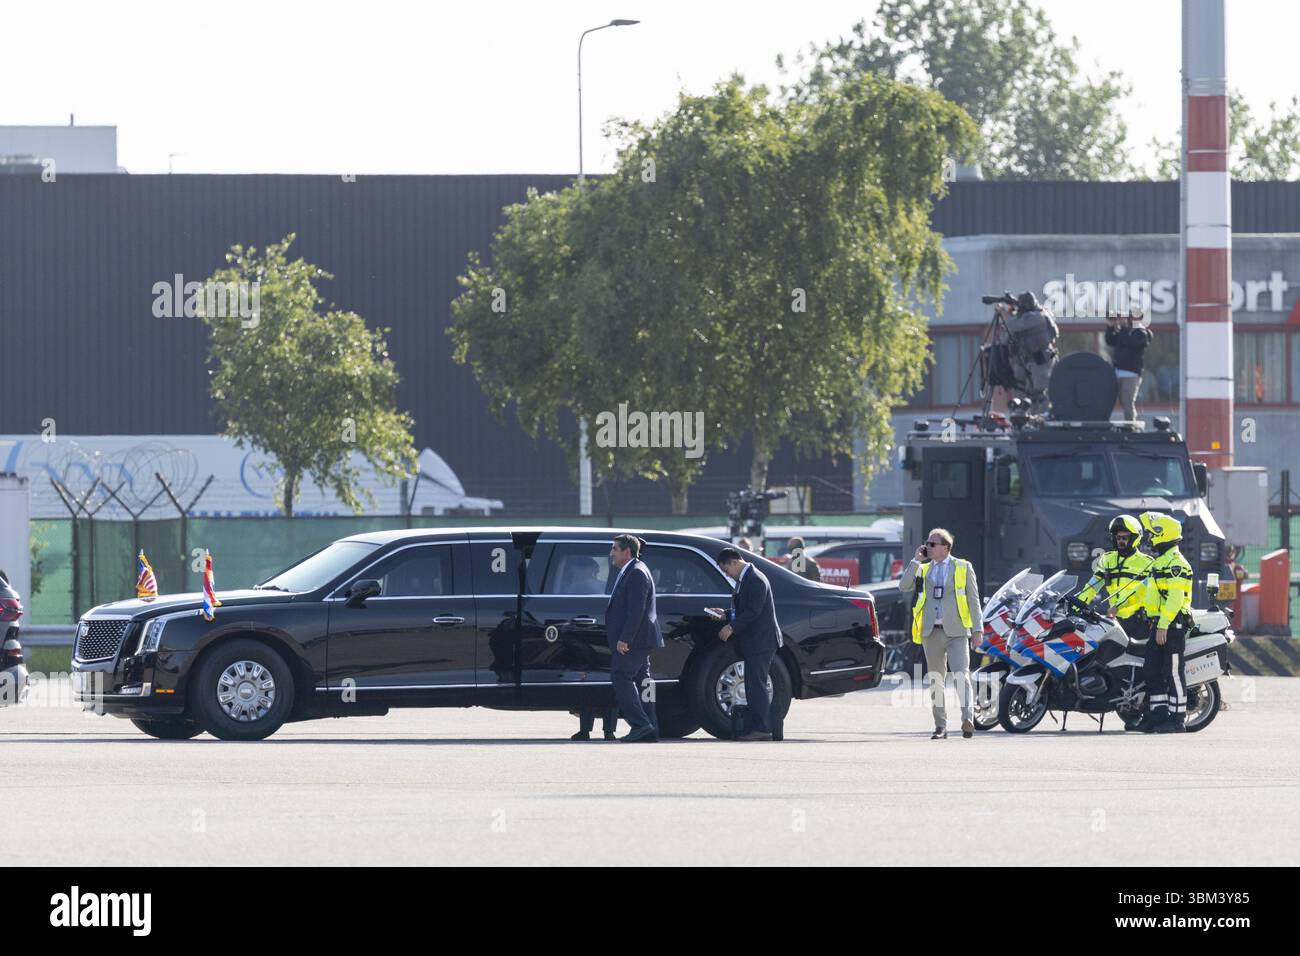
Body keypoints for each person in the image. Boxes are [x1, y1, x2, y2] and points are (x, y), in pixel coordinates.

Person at [898, 528, 983, 739]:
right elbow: (904, 586)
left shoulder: (963, 567)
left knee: (961, 675)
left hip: (957, 631)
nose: (928, 547)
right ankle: (940, 726)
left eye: (933, 544)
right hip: (931, 631)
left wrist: (978, 629)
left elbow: (973, 600)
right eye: (927, 543)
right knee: (936, 679)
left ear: (946, 547)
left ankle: (968, 718)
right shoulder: (924, 569)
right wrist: (915, 561)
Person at [707, 547, 783, 741]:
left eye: (726, 570)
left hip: (761, 641)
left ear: (733, 562)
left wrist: (731, 627)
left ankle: (762, 728)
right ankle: (760, 726)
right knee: (753, 684)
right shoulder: (746, 579)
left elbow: (753, 612)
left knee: (756, 684)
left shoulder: (755, 579)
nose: (727, 574)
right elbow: (743, 608)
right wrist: (725, 613)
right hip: (755, 641)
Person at [1133, 512, 1194, 734]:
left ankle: (1177, 720)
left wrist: (1163, 625)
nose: (1149, 539)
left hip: (1172, 625)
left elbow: (1176, 599)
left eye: (1152, 534)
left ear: (1163, 535)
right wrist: (1117, 606)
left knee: (1173, 672)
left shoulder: (1177, 563)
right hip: (1159, 623)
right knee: (1151, 670)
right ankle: (1158, 716)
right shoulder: (1160, 563)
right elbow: (1145, 590)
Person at [605, 534, 661, 742]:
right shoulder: (633, 570)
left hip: (635, 640)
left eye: (614, 549)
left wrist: (625, 638)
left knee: (621, 676)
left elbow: (636, 611)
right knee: (643, 681)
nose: (611, 554)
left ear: (626, 552)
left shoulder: (636, 573)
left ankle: (640, 724)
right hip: (640, 639)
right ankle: (651, 728)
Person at [1077, 515, 1154, 640]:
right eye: (1118, 537)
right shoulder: (1107, 560)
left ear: (1135, 538)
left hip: (1139, 623)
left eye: (1125, 538)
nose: (1120, 541)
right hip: (1114, 621)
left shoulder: (1148, 563)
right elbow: (1091, 587)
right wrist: (1076, 605)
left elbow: (1147, 592)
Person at [1004, 291, 1059, 414]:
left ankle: (1042, 420)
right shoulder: (1025, 316)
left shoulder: (1038, 317)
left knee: (1039, 393)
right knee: (1021, 391)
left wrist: (1006, 313)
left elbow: (1013, 325)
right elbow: (1006, 337)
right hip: (1025, 360)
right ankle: (1022, 419)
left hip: (1040, 360)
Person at [1105, 313, 1153, 420]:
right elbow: (1110, 341)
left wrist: (1122, 328)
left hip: (1131, 373)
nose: (1127, 319)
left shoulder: (1141, 332)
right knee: (1108, 399)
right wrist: (1110, 326)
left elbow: (1132, 342)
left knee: (1127, 401)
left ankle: (1130, 425)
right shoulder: (1125, 331)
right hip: (1117, 370)